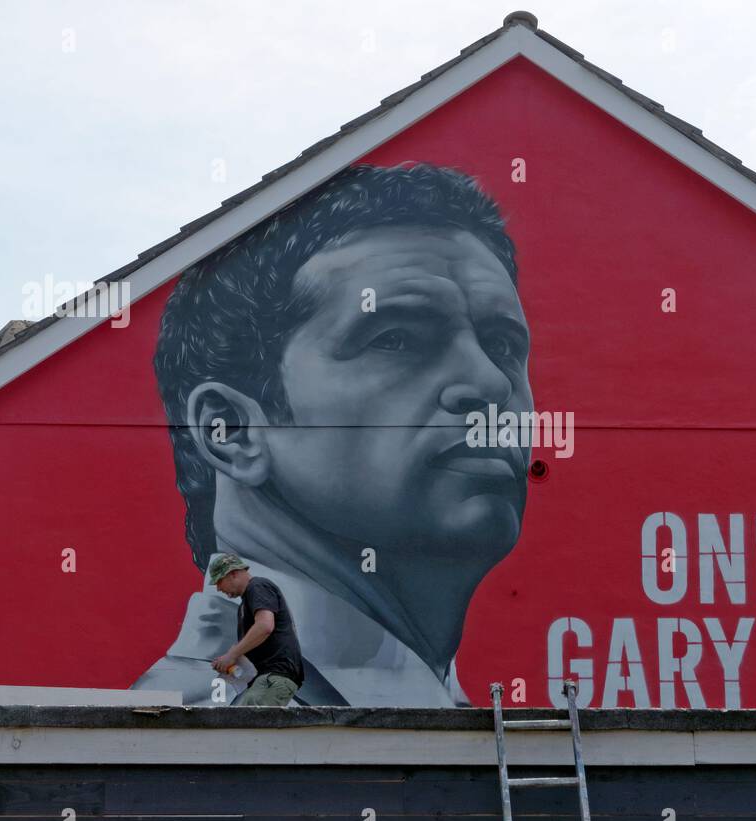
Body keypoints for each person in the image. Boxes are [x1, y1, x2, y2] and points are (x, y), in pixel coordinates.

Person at [131, 163, 533, 706]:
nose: (487, 381)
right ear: (231, 431)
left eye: (503, 345)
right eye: (395, 339)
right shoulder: (208, 728)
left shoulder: (417, 703)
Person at [205, 554, 306, 707]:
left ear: (233, 573)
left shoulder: (257, 586)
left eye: (219, 581)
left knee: (248, 727)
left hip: (274, 676)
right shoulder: (245, 603)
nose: (218, 588)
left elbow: (265, 626)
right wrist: (229, 661)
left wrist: (232, 655)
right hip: (267, 678)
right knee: (248, 726)